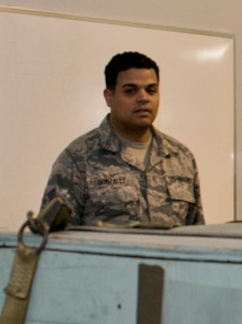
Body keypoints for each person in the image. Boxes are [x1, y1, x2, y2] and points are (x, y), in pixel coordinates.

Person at [41, 51, 202, 228]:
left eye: (151, 90)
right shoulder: (77, 160)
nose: (143, 98)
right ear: (109, 97)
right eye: (131, 91)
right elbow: (54, 241)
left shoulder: (181, 157)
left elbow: (197, 234)